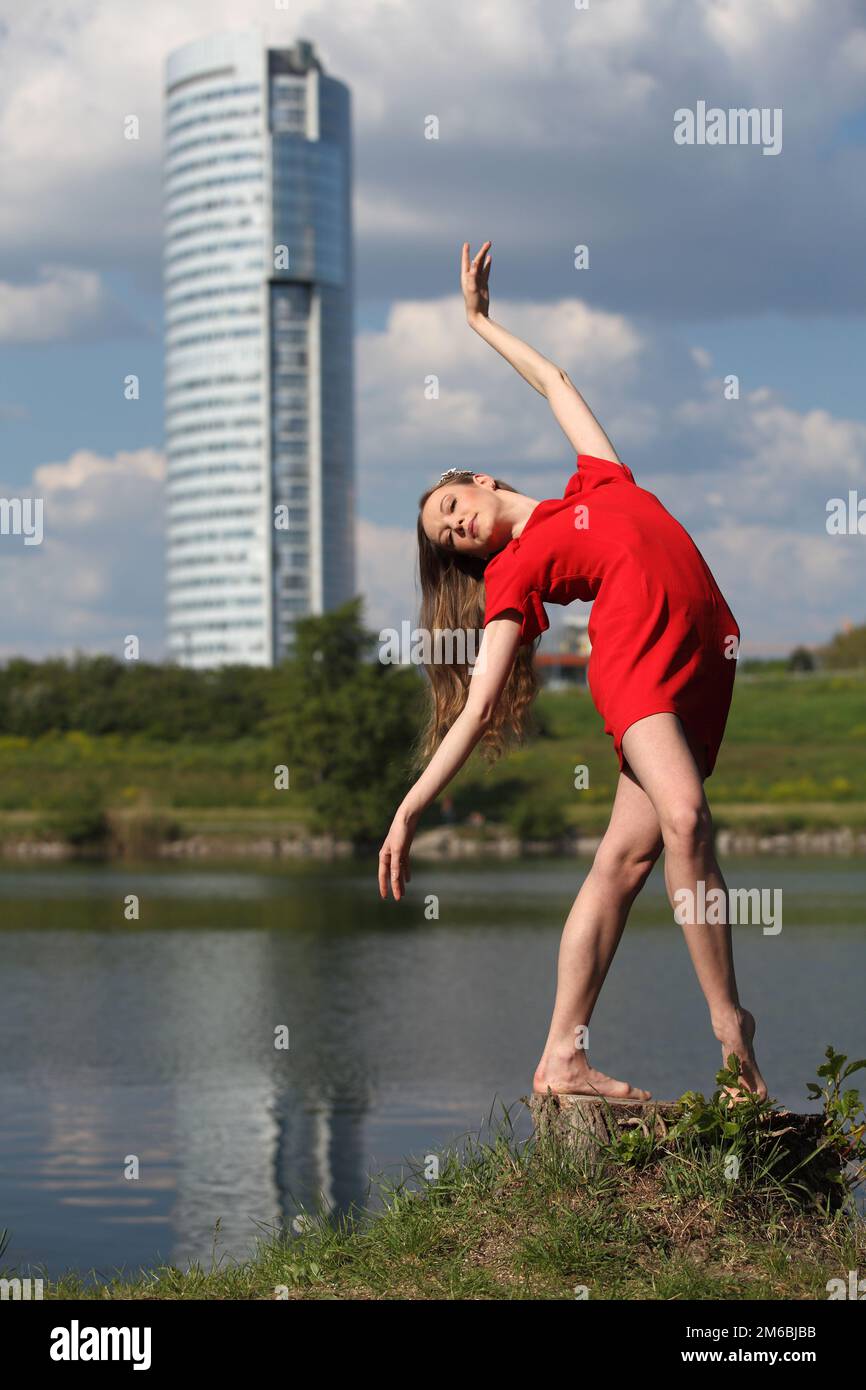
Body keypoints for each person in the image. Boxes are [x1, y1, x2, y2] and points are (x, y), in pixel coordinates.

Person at [378, 240, 767, 1103]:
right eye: (448, 537)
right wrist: (408, 809)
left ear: (477, 479)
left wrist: (480, 323)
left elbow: (555, 380)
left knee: (621, 865)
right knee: (687, 820)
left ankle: (562, 1055)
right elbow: (476, 709)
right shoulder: (513, 576)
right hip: (639, 672)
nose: (459, 528)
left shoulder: (597, 480)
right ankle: (732, 1033)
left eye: (452, 508)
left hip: (703, 663)